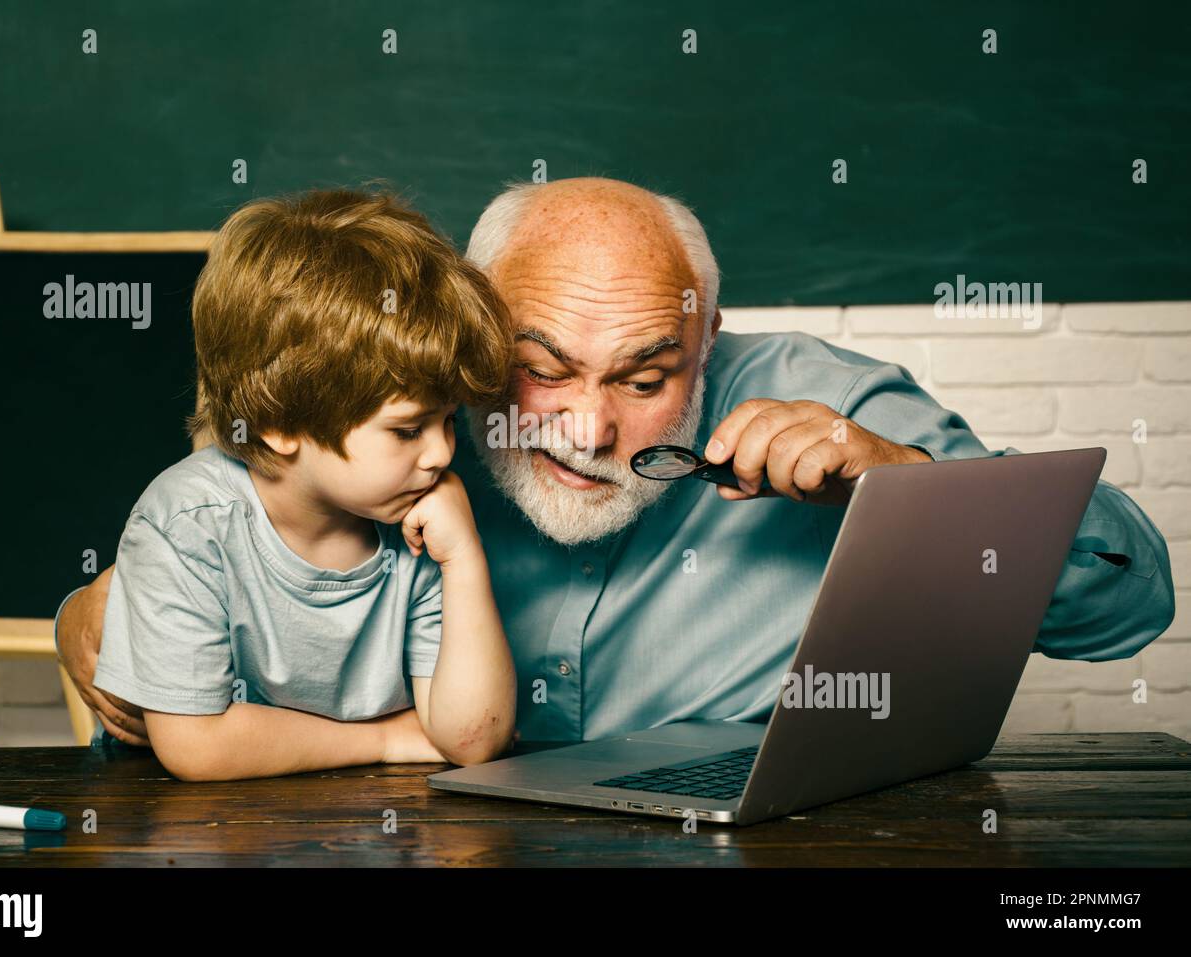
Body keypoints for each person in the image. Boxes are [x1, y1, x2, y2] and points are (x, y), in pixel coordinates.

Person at [58, 177, 1175, 749]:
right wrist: (93, 608)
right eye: (538, 370)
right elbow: (232, 548)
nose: (588, 432)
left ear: (710, 339)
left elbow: (1128, 605)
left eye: (647, 379)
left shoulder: (825, 399)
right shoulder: (404, 427)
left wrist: (908, 488)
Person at [79, 189, 517, 778]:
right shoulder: (188, 521)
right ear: (279, 423)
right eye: (408, 429)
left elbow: (471, 740)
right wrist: (386, 740)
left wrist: (464, 562)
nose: (440, 453)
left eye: (447, 422)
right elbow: (198, 747)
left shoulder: (422, 517)